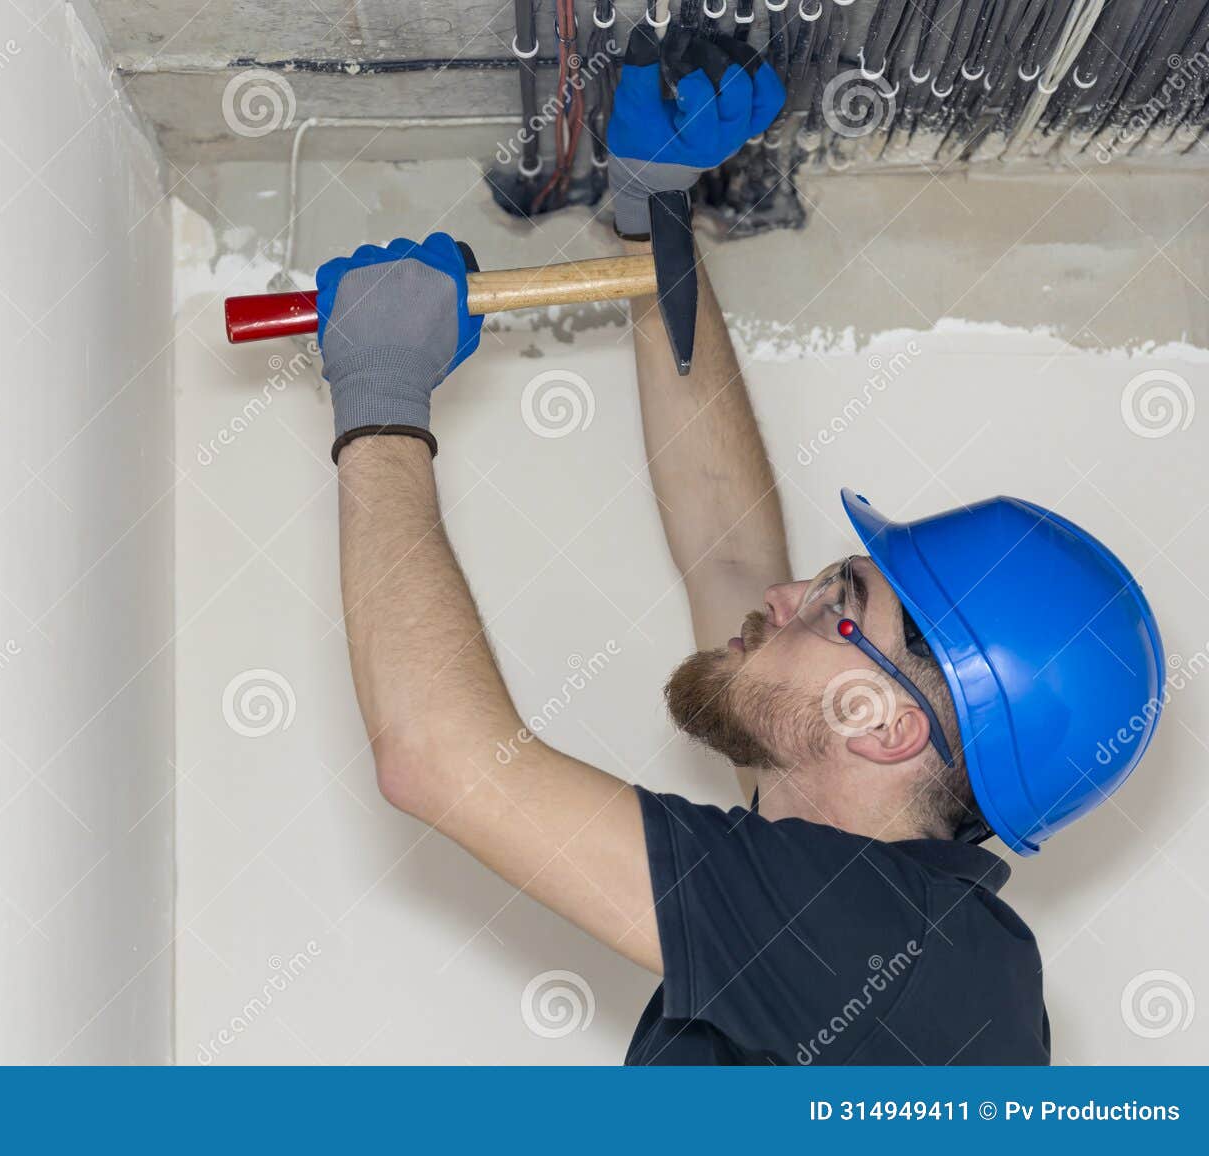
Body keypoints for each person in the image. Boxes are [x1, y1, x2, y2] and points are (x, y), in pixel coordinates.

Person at [312, 25, 1165, 1065]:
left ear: (884, 727)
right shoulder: (899, 937)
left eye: (837, 602)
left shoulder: (895, 951)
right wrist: (654, 221)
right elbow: (727, 547)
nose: (784, 593)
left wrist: (379, 401)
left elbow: (441, 760)